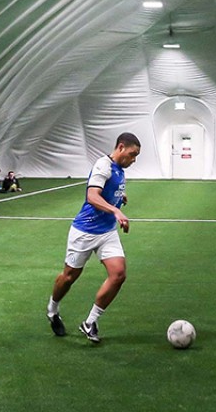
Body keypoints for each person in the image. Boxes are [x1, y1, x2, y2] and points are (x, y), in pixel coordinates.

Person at [46, 132, 141, 344]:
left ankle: (90, 322)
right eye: (132, 154)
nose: (134, 160)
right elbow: (92, 196)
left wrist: (119, 197)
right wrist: (116, 212)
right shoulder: (103, 165)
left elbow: (107, 190)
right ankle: (52, 310)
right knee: (69, 277)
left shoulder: (119, 169)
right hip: (85, 231)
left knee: (118, 275)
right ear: (121, 147)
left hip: (107, 233)